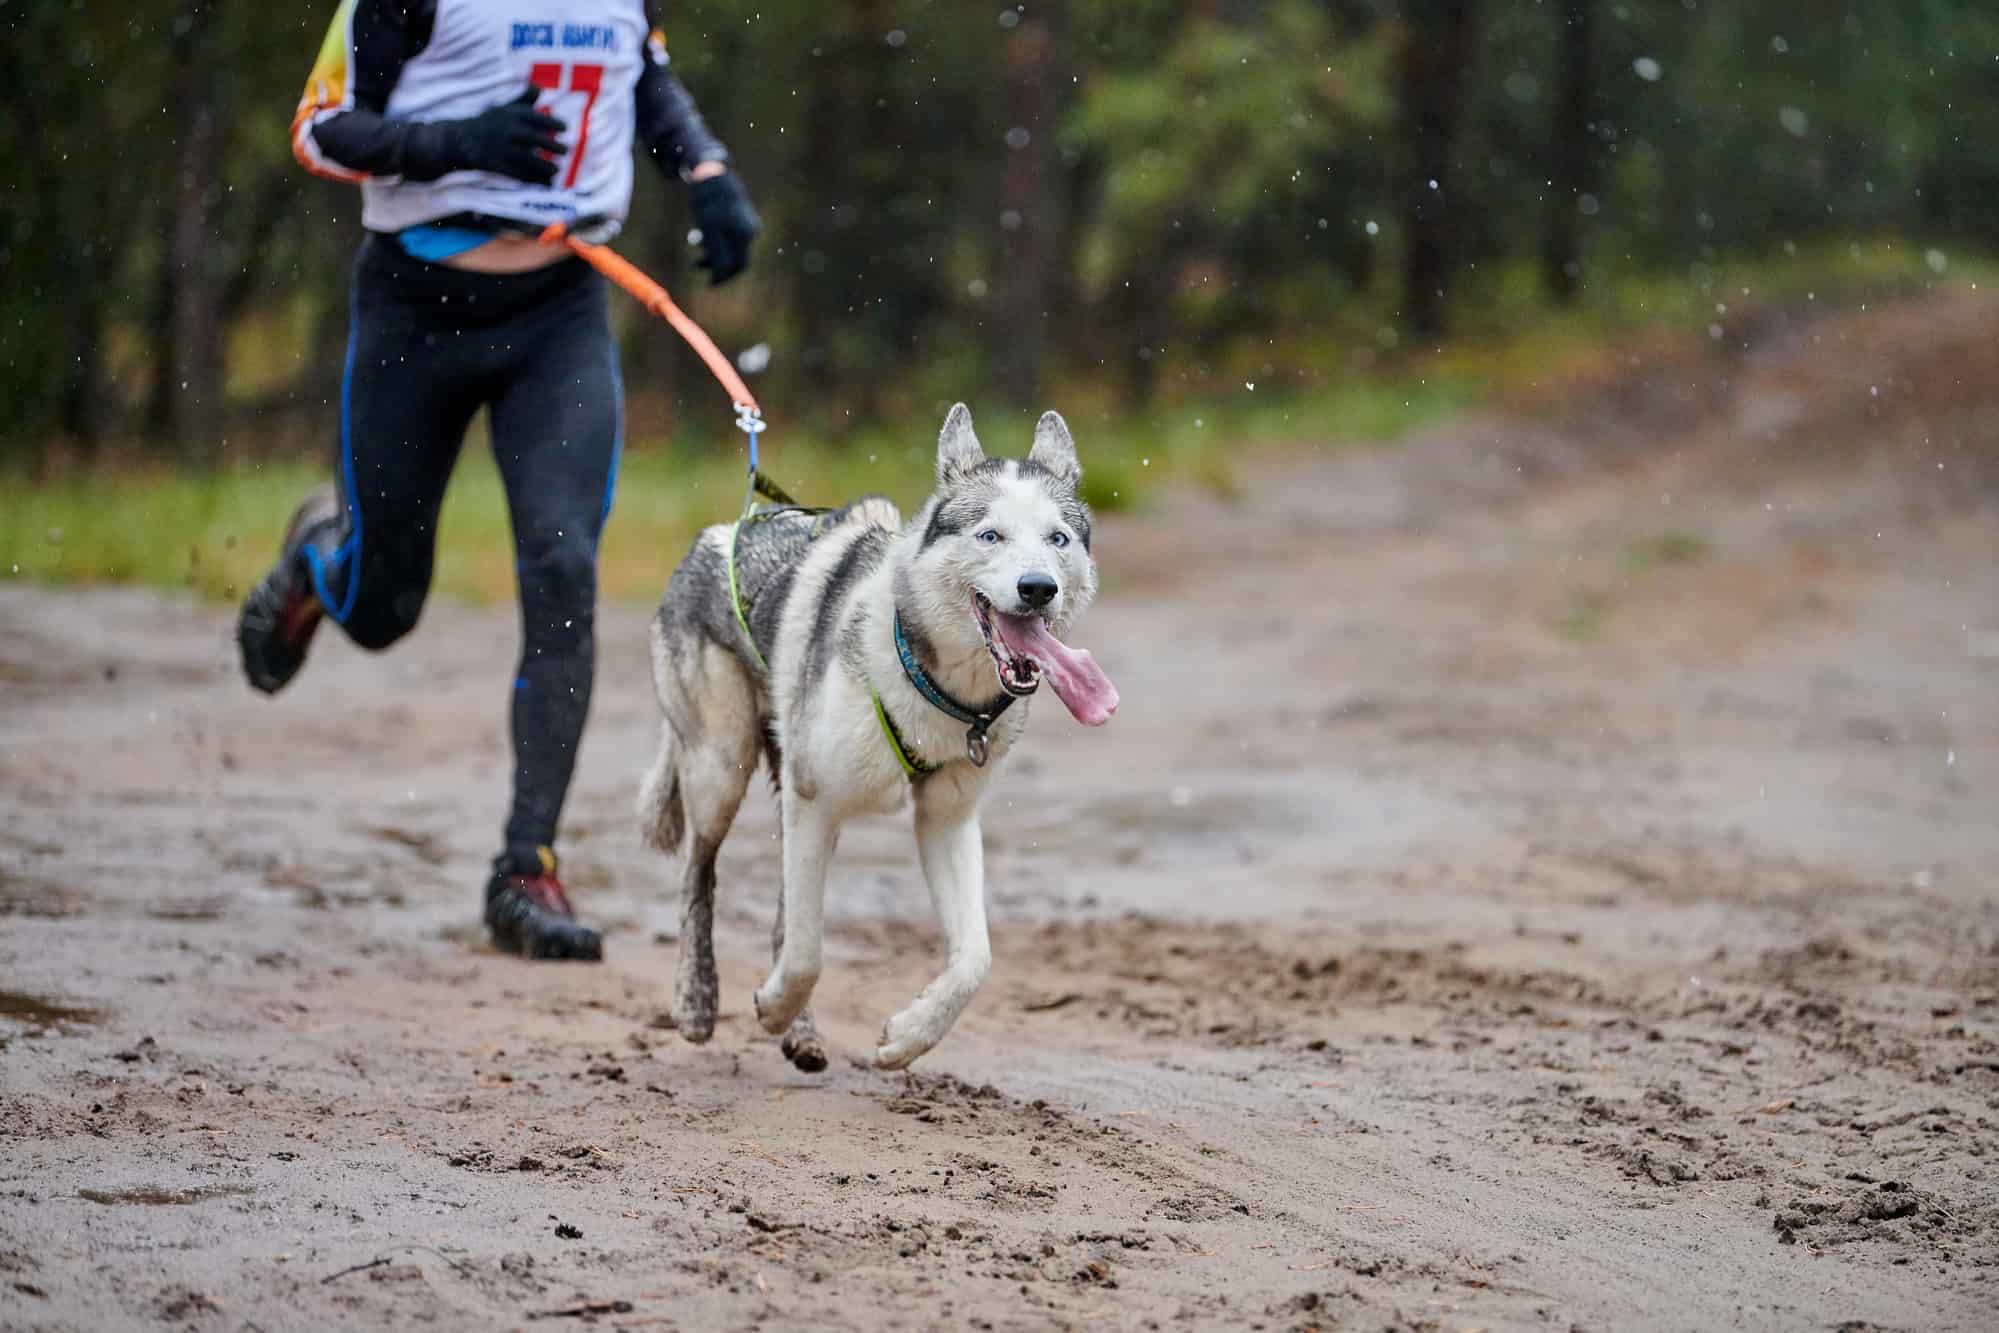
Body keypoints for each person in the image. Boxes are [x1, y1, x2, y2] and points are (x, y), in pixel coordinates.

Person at [238, 0, 759, 961]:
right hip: (410, 310)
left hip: (559, 311)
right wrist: (456, 143)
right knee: (383, 606)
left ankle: (526, 868)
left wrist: (707, 172)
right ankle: (321, 568)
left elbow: (641, 76)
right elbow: (318, 131)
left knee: (563, 570)